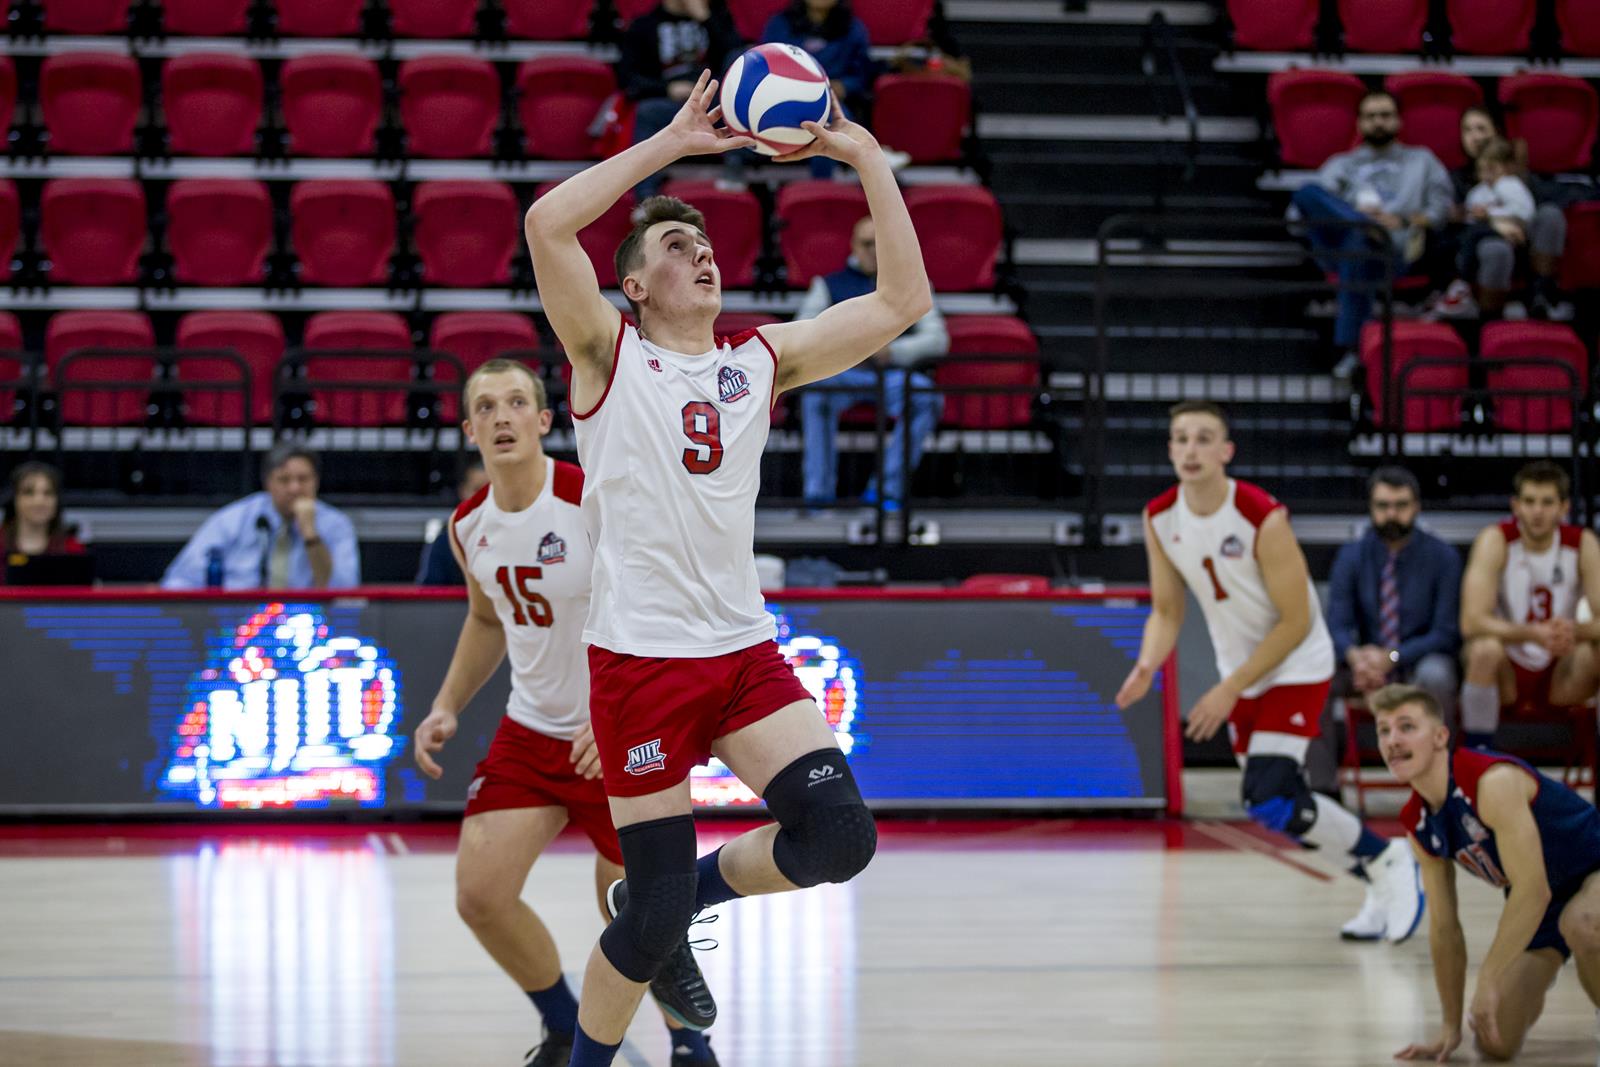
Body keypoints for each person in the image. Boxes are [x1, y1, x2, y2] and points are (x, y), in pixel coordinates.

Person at [524, 73, 927, 1066]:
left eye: (704, 245)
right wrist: (669, 146)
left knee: (839, 837)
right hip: (640, 662)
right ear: (633, 283)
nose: (699, 254)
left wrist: (866, 157)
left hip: (743, 652)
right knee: (648, 914)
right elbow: (545, 223)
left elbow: (904, 300)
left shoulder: (760, 357)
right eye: (673, 247)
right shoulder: (602, 352)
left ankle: (690, 891)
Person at [412, 360, 718, 1067]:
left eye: (517, 401)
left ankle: (689, 1040)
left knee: (638, 902)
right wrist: (447, 704)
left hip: (618, 732)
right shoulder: (468, 526)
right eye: (485, 406)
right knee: (479, 893)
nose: (502, 416)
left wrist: (619, 714)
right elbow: (487, 620)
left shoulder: (589, 497)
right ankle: (561, 1024)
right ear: (470, 429)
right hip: (533, 730)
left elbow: (659, 600)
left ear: (545, 420)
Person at [1115, 401, 1424, 942]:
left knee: (1272, 792)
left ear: (1225, 451)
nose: (1190, 449)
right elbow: (1167, 610)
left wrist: (1226, 689)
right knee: (1273, 808)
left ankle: (1390, 860)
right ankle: (1378, 871)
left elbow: (1297, 619)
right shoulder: (1159, 517)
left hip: (1297, 662)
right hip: (1242, 671)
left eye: (1203, 438)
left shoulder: (1260, 515)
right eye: (1180, 438)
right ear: (1169, 449)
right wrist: (1146, 664)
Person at [1373, 683, 1600, 1063]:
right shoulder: (1418, 822)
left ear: (1441, 736)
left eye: (1407, 726)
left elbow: (1533, 889)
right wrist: (1449, 1027)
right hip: (1547, 905)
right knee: (1495, 1041)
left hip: (1591, 871)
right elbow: (1445, 930)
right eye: (1383, 730)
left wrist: (1489, 978)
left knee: (1583, 922)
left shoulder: (1490, 782)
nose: (1393, 740)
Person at [1288, 90, 1454, 377]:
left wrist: (1401, 220)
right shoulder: (1342, 163)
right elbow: (1296, 214)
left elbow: (1441, 211)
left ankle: (1352, 348)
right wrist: (1355, 219)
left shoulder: (1422, 161)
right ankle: (1362, 225)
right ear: (1360, 124)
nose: (1378, 122)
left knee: (1359, 244)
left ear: (1399, 121)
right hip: (1340, 246)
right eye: (1371, 116)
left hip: (1395, 251)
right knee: (1309, 193)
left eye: (1385, 116)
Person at [1320, 466, 1461, 787]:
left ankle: (1440, 782)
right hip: (1365, 665)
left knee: (1438, 675)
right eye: (1383, 506)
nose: (1392, 514)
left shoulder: (1443, 557)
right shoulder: (1352, 555)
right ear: (1371, 509)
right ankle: (1322, 788)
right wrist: (1357, 657)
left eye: (1401, 505)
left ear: (1416, 508)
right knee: (1317, 674)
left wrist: (1393, 657)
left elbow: (1445, 632)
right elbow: (1336, 624)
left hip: (1417, 659)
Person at [798, 215, 946, 508]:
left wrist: (893, 351)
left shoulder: (912, 283)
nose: (874, 250)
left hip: (891, 373)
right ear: (853, 246)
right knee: (816, 392)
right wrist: (849, 344)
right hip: (841, 371)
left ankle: (887, 491)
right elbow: (802, 328)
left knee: (925, 396)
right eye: (867, 243)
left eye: (881, 244)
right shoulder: (828, 285)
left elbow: (938, 338)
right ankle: (819, 494)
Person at [1457, 460, 1600, 750]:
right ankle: (1476, 758)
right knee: (1483, 649)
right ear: (1516, 505)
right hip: (1507, 670)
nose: (1537, 511)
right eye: (1530, 501)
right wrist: (1534, 633)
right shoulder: (1495, 540)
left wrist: (1575, 631)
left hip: (1562, 669)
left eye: (1547, 502)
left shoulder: (1582, 543)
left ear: (1563, 508)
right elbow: (1471, 621)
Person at [161, 443, 359, 590]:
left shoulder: (336, 525)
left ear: (316, 481)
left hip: (307, 625)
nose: (295, 488)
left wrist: (311, 535)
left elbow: (345, 590)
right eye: (284, 480)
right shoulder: (233, 519)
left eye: (303, 479)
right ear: (267, 482)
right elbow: (180, 580)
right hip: (238, 624)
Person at [1453, 107, 1573, 321]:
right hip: (1483, 247)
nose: (1475, 136)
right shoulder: (1458, 180)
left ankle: (1541, 295)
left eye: (1481, 128)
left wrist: (1517, 224)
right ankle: (1488, 320)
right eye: (1467, 130)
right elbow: (1459, 228)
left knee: (1550, 214)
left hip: (1525, 242)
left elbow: (1534, 207)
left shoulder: (1516, 177)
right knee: (1496, 249)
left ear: (1496, 133)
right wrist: (1495, 225)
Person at [618, 0, 745, 202]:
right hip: (671, 104)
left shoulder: (717, 18)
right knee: (647, 112)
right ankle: (645, 198)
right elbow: (627, 78)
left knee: (741, 99)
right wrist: (667, 88)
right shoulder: (644, 25)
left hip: (714, 99)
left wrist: (706, 18)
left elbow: (739, 60)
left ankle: (736, 165)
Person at [761, 0, 874, 179]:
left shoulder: (853, 28)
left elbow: (862, 75)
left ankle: (827, 186)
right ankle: (736, 161)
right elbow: (764, 64)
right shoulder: (780, 24)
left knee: (833, 121)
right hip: (784, 99)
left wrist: (844, 86)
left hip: (831, 100)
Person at [1434, 137, 1535, 320]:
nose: (1487, 175)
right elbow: (1473, 216)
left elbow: (1524, 212)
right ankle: (1449, 289)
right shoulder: (1478, 191)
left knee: (1479, 237)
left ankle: (1461, 286)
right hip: (1480, 234)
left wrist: (1491, 216)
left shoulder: (1509, 185)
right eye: (1482, 170)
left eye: (1492, 169)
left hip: (1513, 234)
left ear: (1506, 168)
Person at [0, 461, 90, 586]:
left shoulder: (73, 549)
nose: (39, 501)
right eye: (29, 493)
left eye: (48, 493)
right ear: (14, 499)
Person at [416, 461, 489, 586]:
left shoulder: (515, 538)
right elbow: (428, 596)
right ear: (463, 492)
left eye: (490, 490)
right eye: (476, 489)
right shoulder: (444, 543)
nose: (483, 497)